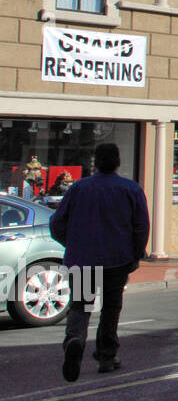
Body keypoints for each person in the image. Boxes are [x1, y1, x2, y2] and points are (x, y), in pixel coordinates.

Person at [49, 142, 149, 382]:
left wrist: (71, 243)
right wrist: (135, 255)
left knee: (81, 306)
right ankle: (106, 355)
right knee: (111, 309)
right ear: (117, 162)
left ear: (95, 161)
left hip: (83, 260)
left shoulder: (78, 189)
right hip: (117, 260)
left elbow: (56, 224)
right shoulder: (130, 189)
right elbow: (141, 227)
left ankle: (75, 340)